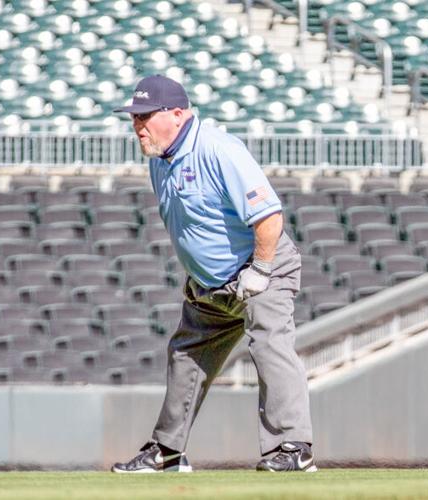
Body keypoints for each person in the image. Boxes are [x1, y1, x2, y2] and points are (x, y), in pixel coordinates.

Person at [110, 75, 315, 473]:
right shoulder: (161, 160)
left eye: (145, 116)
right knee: (186, 355)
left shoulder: (218, 148)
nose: (137, 125)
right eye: (134, 117)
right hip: (212, 286)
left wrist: (259, 270)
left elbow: (269, 217)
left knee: (270, 344)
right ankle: (167, 451)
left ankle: (293, 447)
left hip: (260, 268)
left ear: (178, 114)